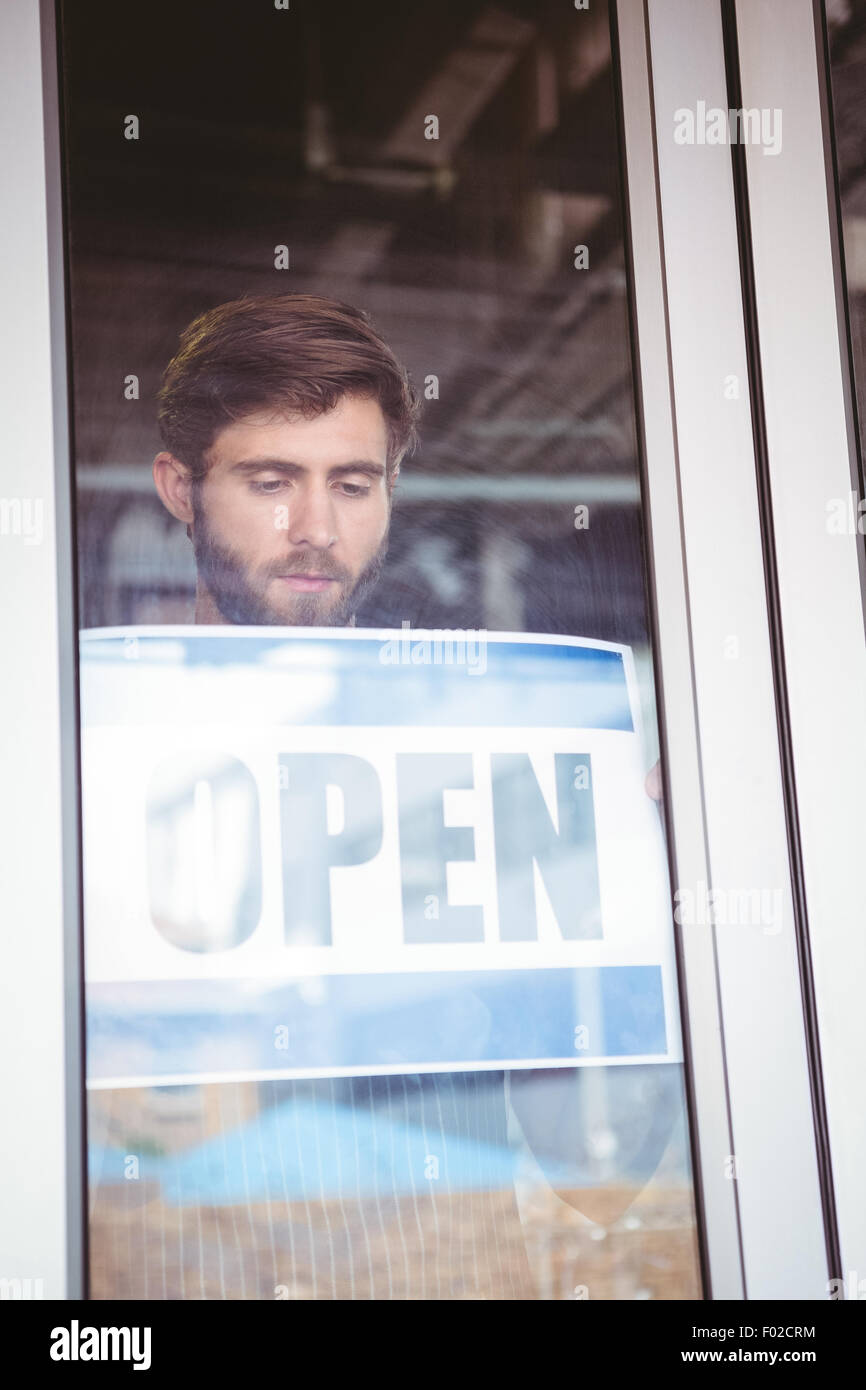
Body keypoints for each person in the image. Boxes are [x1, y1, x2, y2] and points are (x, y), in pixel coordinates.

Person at [136, 292, 680, 1300]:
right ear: (180, 487)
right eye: (269, 481)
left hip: (445, 1266)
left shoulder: (473, 757)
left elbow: (591, 1159)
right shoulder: (92, 741)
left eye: (352, 483)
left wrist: (646, 883)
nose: (314, 529)